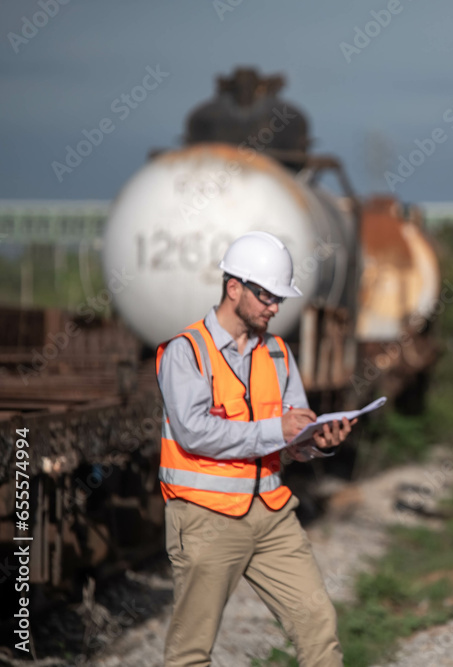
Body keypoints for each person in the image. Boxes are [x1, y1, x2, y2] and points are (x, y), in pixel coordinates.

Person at [156, 231, 351, 667]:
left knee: (318, 624)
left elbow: (292, 434)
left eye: (279, 298)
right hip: (204, 515)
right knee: (191, 651)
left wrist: (317, 443)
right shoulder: (186, 353)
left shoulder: (278, 352)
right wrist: (277, 429)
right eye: (267, 296)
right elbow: (194, 433)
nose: (275, 308)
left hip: (271, 513)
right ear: (233, 288)